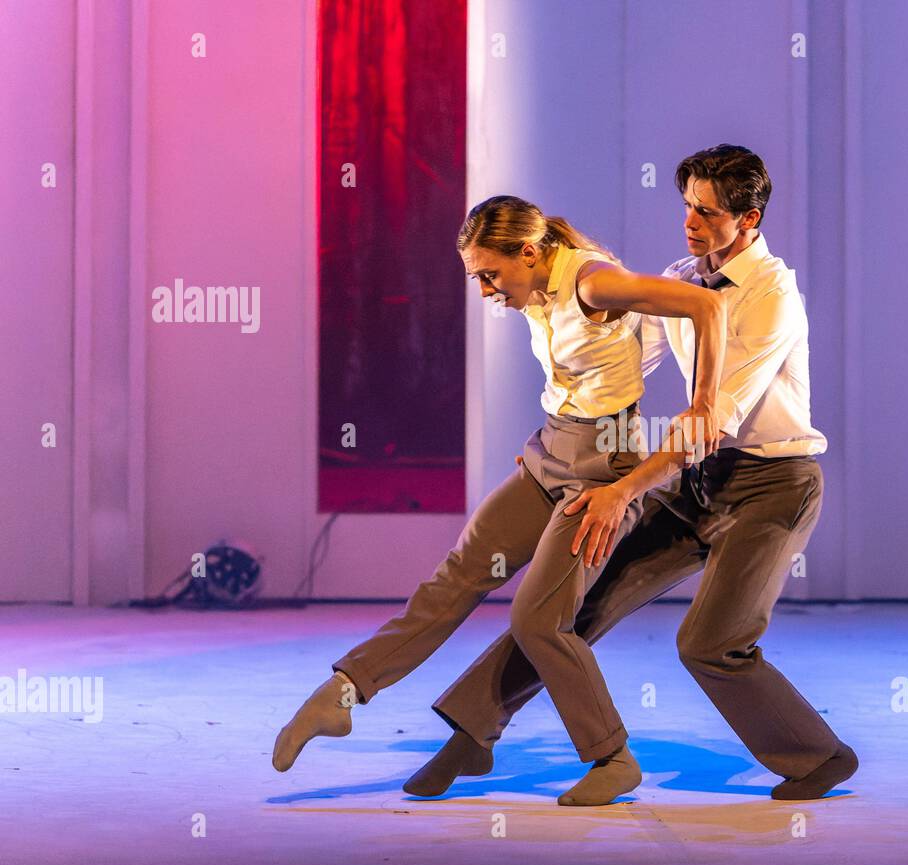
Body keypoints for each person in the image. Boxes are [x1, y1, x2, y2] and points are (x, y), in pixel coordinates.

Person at [406, 146, 858, 802]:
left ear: (749, 219)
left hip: (774, 486)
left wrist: (621, 489)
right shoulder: (682, 276)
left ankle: (819, 758)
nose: (691, 222)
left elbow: (712, 419)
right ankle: (471, 736)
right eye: (687, 207)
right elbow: (613, 375)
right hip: (696, 482)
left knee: (710, 641)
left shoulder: (772, 298)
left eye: (707, 212)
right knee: (571, 605)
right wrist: (557, 450)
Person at [272, 195, 727, 806]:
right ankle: (342, 693)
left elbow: (705, 303)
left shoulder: (594, 283)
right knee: (458, 576)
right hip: (549, 456)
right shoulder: (537, 287)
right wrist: (554, 436)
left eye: (490, 275)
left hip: (600, 474)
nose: (486, 291)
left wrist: (702, 404)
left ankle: (612, 759)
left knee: (538, 620)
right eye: (477, 278)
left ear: (529, 253)